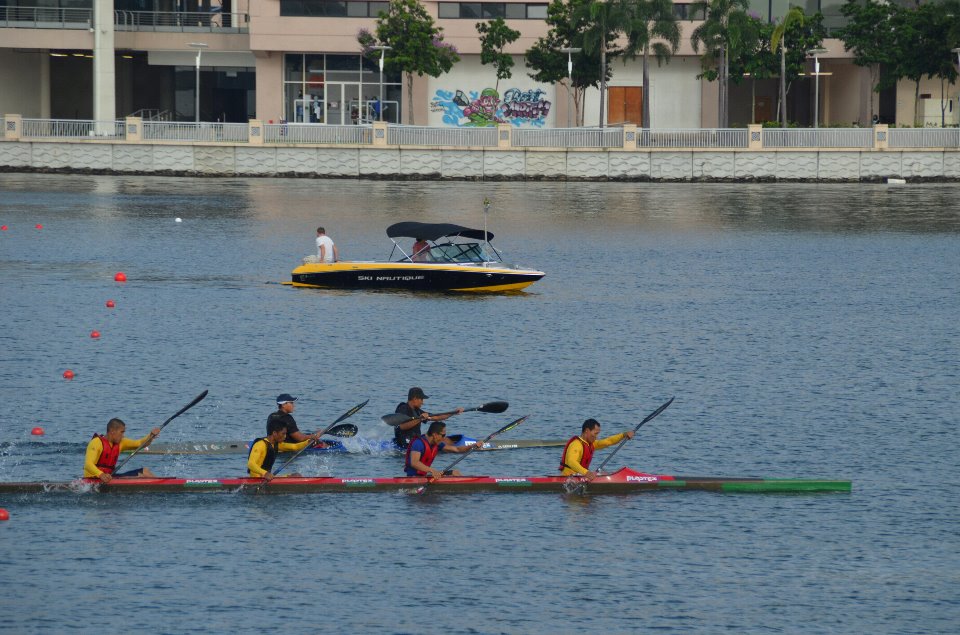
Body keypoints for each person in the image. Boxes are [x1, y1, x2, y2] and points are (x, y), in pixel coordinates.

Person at [83, 418, 161, 483]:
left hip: (110, 478)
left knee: (144, 471)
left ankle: (161, 485)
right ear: (112, 431)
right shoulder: (96, 442)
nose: (123, 435)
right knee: (140, 476)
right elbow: (88, 465)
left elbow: (140, 443)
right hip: (94, 479)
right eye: (121, 432)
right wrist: (101, 475)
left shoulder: (121, 442)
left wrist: (150, 436)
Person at [559, 418, 635, 479]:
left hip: (579, 476)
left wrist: (623, 435)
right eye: (595, 433)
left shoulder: (591, 444)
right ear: (587, 431)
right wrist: (587, 473)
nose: (596, 436)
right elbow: (571, 461)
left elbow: (608, 441)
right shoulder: (576, 444)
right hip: (568, 478)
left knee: (604, 473)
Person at [248, 417, 321, 480]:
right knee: (296, 477)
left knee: (297, 476)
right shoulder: (260, 445)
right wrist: (265, 473)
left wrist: (309, 441)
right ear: (274, 433)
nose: (285, 436)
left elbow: (294, 447)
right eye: (283, 433)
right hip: (256, 480)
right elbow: (251, 464)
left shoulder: (276, 444)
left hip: (266, 478)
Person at [394, 386, 462, 450]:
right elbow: (402, 427)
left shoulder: (417, 411)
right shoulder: (402, 409)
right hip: (406, 445)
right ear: (415, 399)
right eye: (421, 399)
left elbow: (436, 417)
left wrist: (453, 412)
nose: (422, 402)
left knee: (444, 439)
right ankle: (457, 449)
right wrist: (420, 419)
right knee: (442, 443)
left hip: (415, 440)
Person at [404, 422, 480, 478]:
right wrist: (433, 471)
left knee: (455, 472)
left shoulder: (437, 443)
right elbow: (414, 463)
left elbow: (457, 449)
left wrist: (473, 445)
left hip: (425, 475)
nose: (444, 438)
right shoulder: (418, 443)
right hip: (413, 478)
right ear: (434, 434)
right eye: (443, 435)